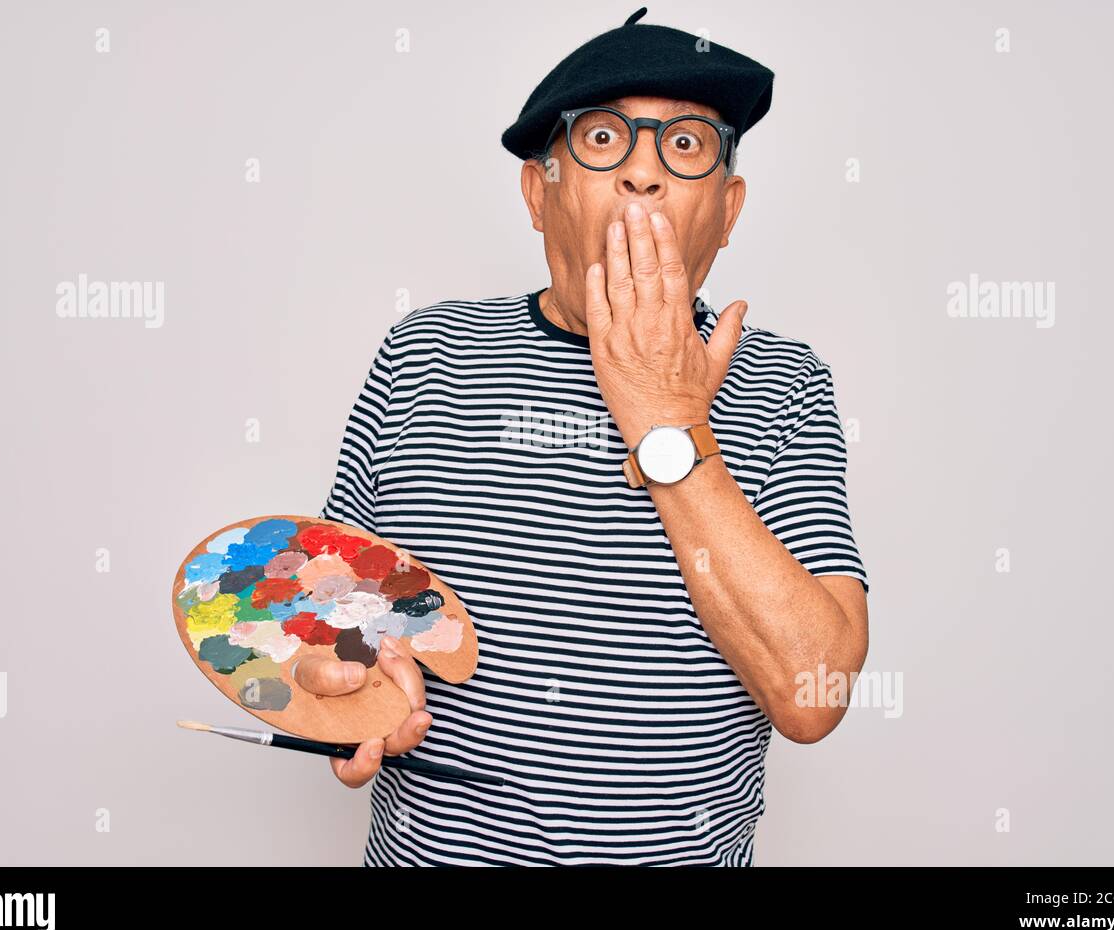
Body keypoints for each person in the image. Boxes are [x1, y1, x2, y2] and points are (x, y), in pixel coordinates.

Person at [299, 7, 869, 865]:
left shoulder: (783, 382)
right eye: (604, 139)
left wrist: (666, 424)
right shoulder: (423, 352)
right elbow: (327, 618)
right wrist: (338, 693)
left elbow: (811, 694)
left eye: (685, 146)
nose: (643, 173)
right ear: (540, 192)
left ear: (728, 208)